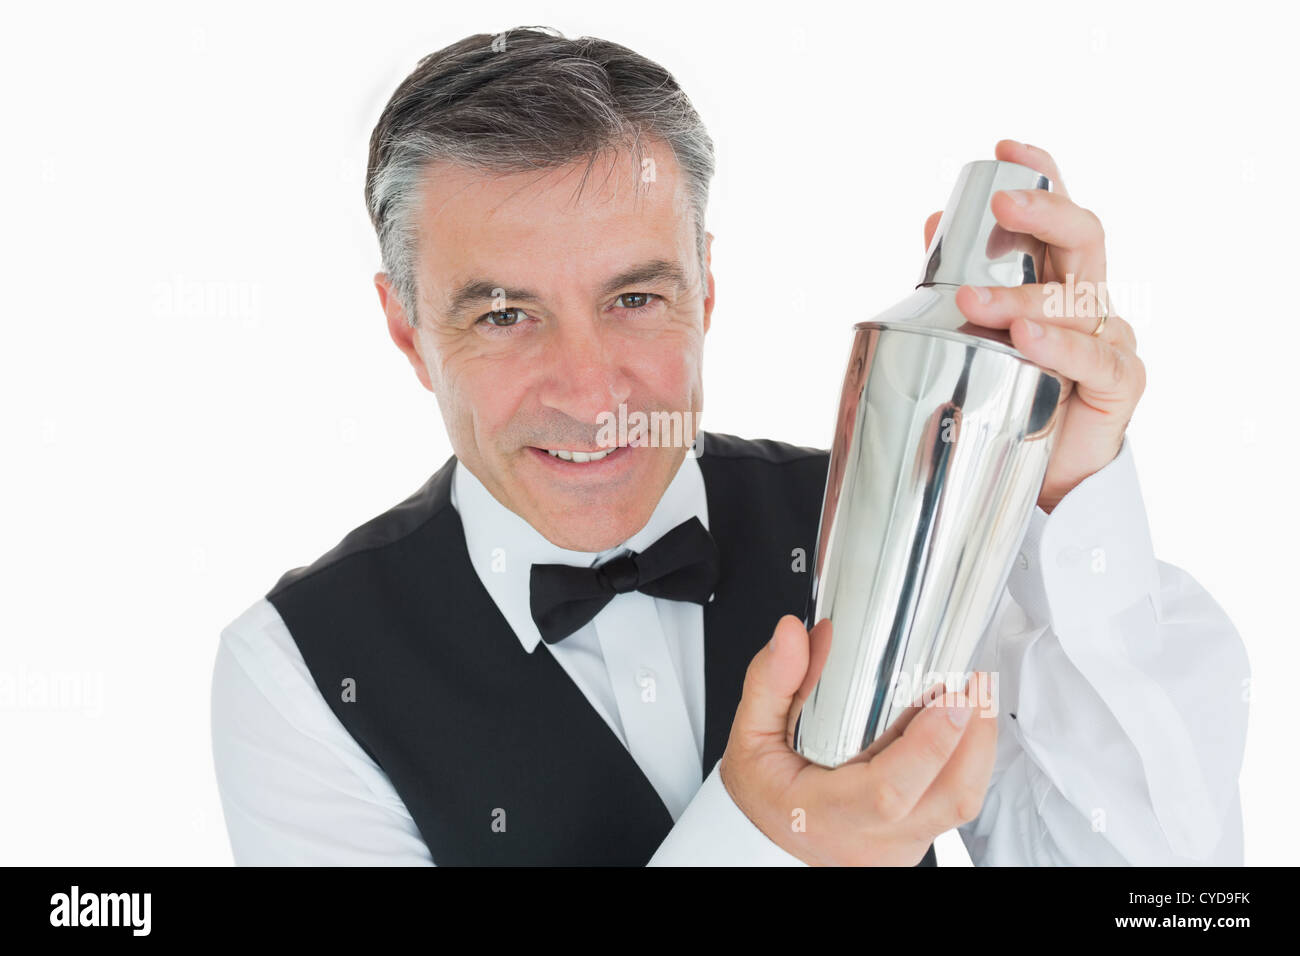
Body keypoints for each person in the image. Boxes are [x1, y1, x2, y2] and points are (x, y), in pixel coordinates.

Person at [210, 25, 1249, 866]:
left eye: (634, 297)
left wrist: (1065, 486)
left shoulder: (892, 514)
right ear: (407, 329)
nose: (588, 391)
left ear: (704, 287)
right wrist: (761, 834)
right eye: (502, 315)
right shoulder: (297, 670)